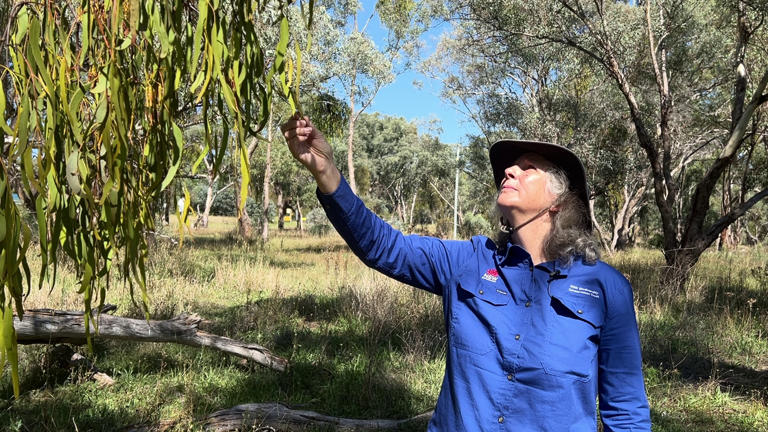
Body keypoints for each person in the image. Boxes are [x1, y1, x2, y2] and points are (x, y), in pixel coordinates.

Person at [281, 114, 651, 431]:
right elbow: (384, 247)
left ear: (558, 202)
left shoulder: (606, 288)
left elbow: (627, 412)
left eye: (528, 167)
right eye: (511, 166)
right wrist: (326, 172)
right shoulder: (470, 261)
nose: (509, 170)